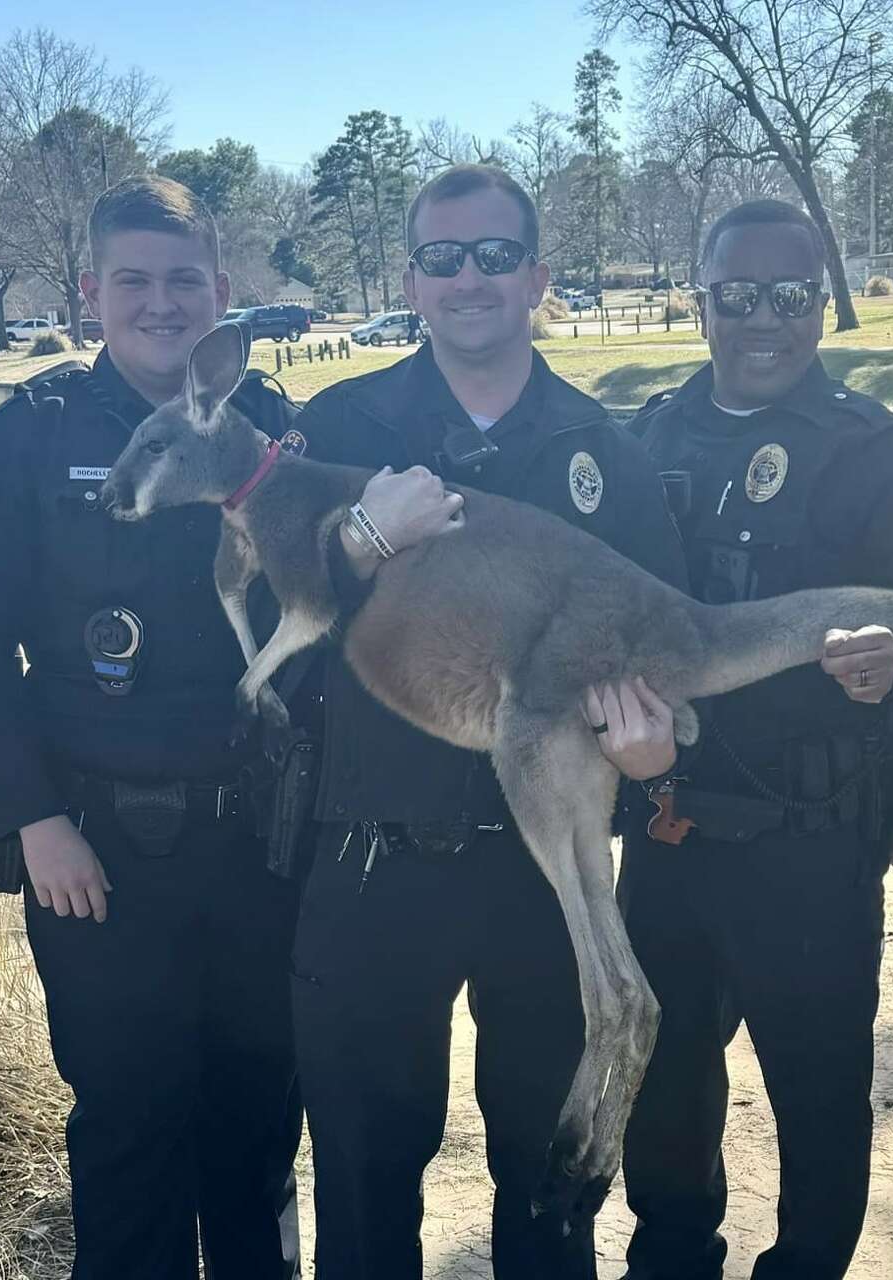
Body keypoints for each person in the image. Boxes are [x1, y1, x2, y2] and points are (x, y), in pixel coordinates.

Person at [287, 163, 684, 1280]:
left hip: (542, 877)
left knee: (549, 1183)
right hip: (372, 859)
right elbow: (270, 630)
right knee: (363, 1182)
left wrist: (656, 753)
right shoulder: (339, 425)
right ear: (412, 278)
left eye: (495, 255)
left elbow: (664, 657)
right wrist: (361, 535)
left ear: (538, 277)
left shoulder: (607, 452)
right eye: (443, 257)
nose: (469, 278)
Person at [0, 175, 303, 1280]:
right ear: (92, 290)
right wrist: (31, 815)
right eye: (132, 279)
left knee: (258, 1129)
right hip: (99, 852)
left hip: (257, 845)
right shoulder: (29, 436)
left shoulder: (271, 425)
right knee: (131, 1132)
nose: (160, 302)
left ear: (222, 292)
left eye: (184, 279)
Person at [608, 198, 893, 1280]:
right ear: (702, 301)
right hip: (670, 828)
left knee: (817, 1087)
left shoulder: (878, 452)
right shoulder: (642, 439)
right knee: (662, 1075)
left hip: (814, 838)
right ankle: (672, 1257)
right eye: (737, 296)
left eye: (787, 294)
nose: (761, 318)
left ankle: (809, 1263)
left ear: (817, 303)